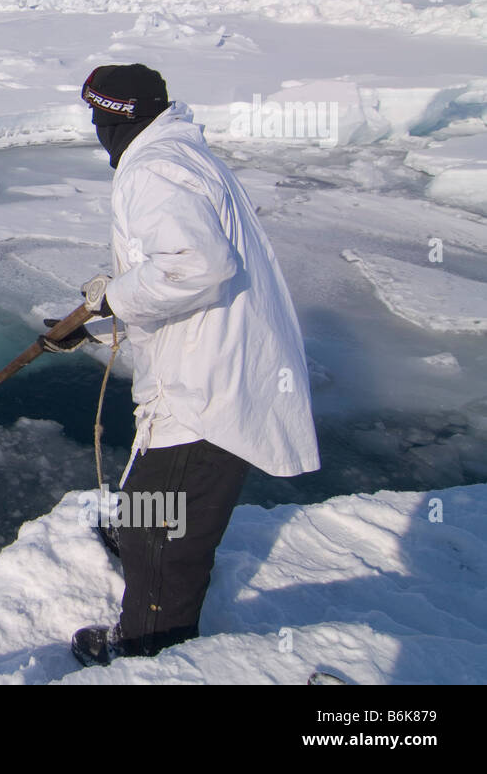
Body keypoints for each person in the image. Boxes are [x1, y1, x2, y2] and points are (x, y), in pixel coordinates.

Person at [41, 64, 320, 666]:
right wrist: (103, 316)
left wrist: (114, 298)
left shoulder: (155, 169)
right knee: (154, 496)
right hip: (207, 359)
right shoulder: (177, 153)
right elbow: (173, 268)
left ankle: (150, 652)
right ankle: (139, 542)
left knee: (163, 530)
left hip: (208, 383)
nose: (96, 131)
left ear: (121, 117)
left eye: (100, 118)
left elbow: (195, 267)